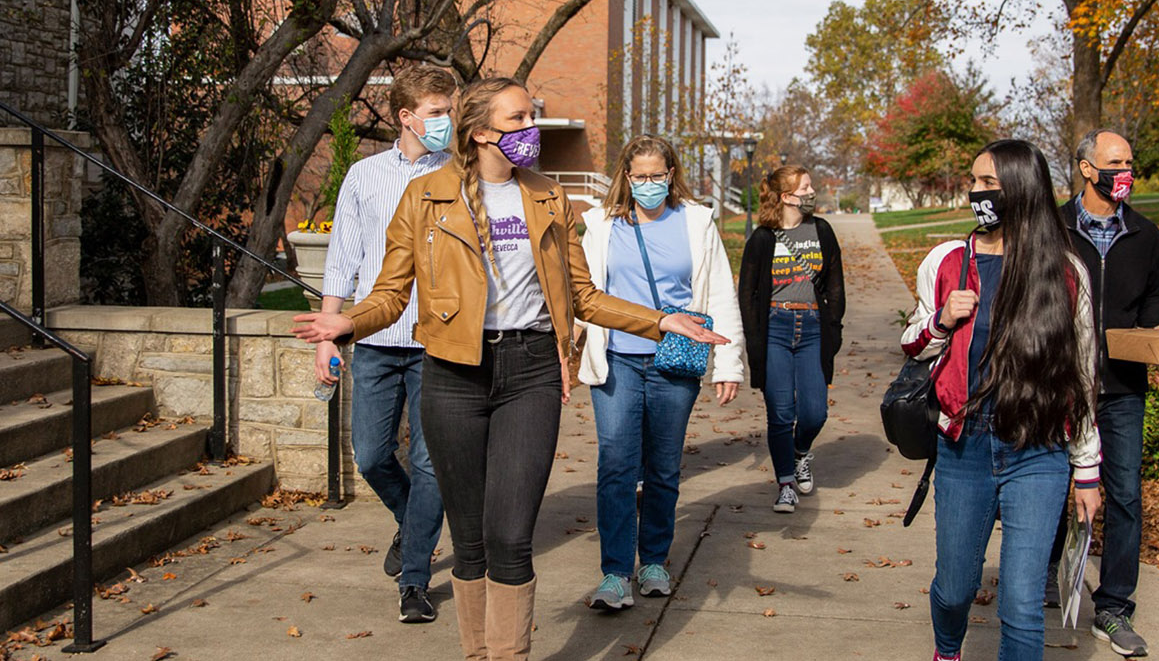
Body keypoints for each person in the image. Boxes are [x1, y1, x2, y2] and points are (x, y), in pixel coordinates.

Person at [292, 77, 727, 661]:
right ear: (480, 133)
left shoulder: (549, 197)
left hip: (530, 372)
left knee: (511, 535)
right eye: (518, 119)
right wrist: (348, 322)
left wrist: (660, 321)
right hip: (452, 373)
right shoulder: (425, 196)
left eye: (531, 117)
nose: (531, 129)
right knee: (470, 538)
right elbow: (392, 294)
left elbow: (583, 294)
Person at [900, 139, 1102, 661]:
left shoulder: (1065, 272)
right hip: (964, 444)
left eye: (988, 183)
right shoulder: (947, 261)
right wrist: (941, 320)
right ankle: (948, 649)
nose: (977, 192)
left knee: (1022, 602)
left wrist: (1087, 469)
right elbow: (912, 344)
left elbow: (1082, 375)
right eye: (974, 181)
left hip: (1038, 449)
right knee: (954, 589)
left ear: (1021, 188)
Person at [577, 134, 745, 611]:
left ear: (671, 175)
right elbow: (584, 294)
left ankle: (653, 561)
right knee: (616, 464)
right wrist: (563, 352)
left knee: (663, 466)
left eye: (657, 175)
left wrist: (729, 364)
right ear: (626, 177)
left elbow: (719, 294)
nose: (648, 184)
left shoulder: (696, 221)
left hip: (676, 360)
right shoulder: (602, 224)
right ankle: (615, 573)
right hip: (617, 359)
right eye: (640, 176)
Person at [314, 65, 455, 623]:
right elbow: (341, 260)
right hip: (374, 337)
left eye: (450, 110)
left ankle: (415, 581)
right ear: (406, 116)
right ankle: (411, 522)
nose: (447, 121)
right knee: (371, 454)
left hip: (437, 343)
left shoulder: (459, 176)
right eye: (437, 112)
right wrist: (327, 335)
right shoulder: (364, 176)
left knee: (429, 463)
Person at [1047, 129, 1159, 658]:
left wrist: (1155, 326)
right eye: (1115, 163)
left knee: (1125, 494)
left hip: (1122, 388)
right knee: (1049, 485)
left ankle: (1115, 606)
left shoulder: (1146, 236)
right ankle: (1044, 577)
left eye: (1129, 163)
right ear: (1086, 168)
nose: (1125, 173)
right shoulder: (1053, 228)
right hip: (1059, 386)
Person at [737, 165, 845, 514]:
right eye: (806, 188)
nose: (812, 193)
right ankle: (785, 484)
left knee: (815, 413)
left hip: (812, 328)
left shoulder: (821, 230)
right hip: (775, 329)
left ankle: (800, 452)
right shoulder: (762, 239)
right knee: (780, 412)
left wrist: (833, 328)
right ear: (786, 197)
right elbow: (747, 294)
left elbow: (835, 284)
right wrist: (754, 340)